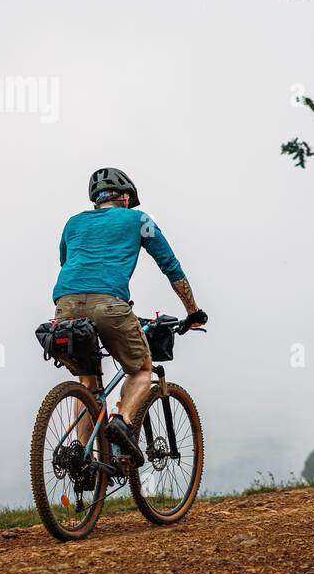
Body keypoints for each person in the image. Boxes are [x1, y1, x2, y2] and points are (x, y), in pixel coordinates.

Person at [51, 167, 207, 464]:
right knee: (141, 369)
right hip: (109, 304)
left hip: (65, 306)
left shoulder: (73, 224)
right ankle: (121, 423)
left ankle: (84, 462)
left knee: (88, 381)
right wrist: (193, 311)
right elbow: (170, 266)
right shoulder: (139, 219)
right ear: (124, 197)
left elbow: (66, 263)